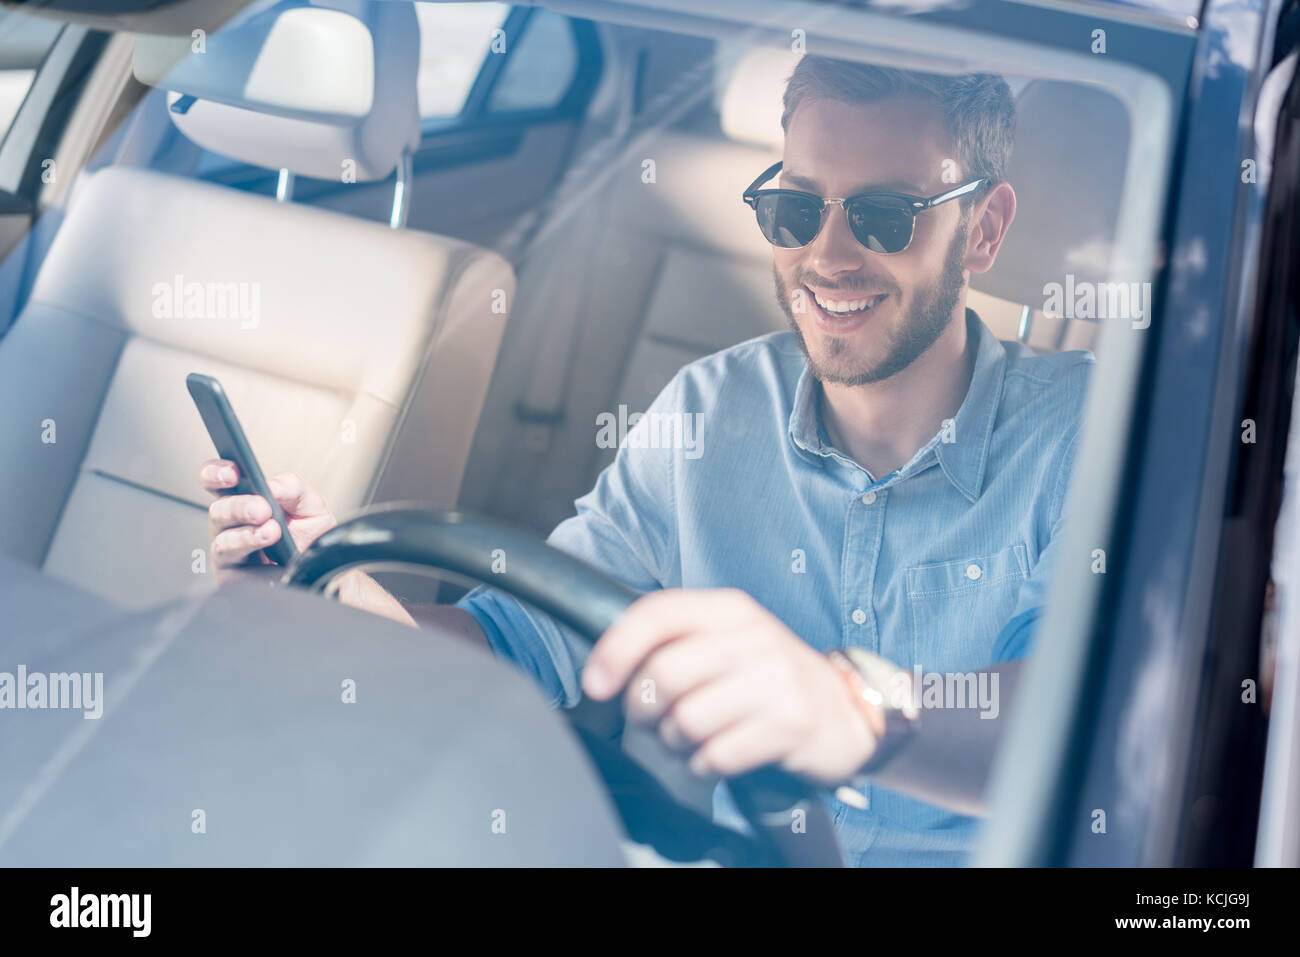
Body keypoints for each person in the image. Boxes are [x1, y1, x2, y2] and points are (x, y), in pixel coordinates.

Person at [201, 56, 1092, 866]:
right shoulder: (708, 409)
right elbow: (529, 637)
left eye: (885, 215)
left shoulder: (1084, 433)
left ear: (982, 229)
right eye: (794, 208)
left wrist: (853, 711)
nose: (826, 255)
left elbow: (1073, 720)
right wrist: (348, 606)